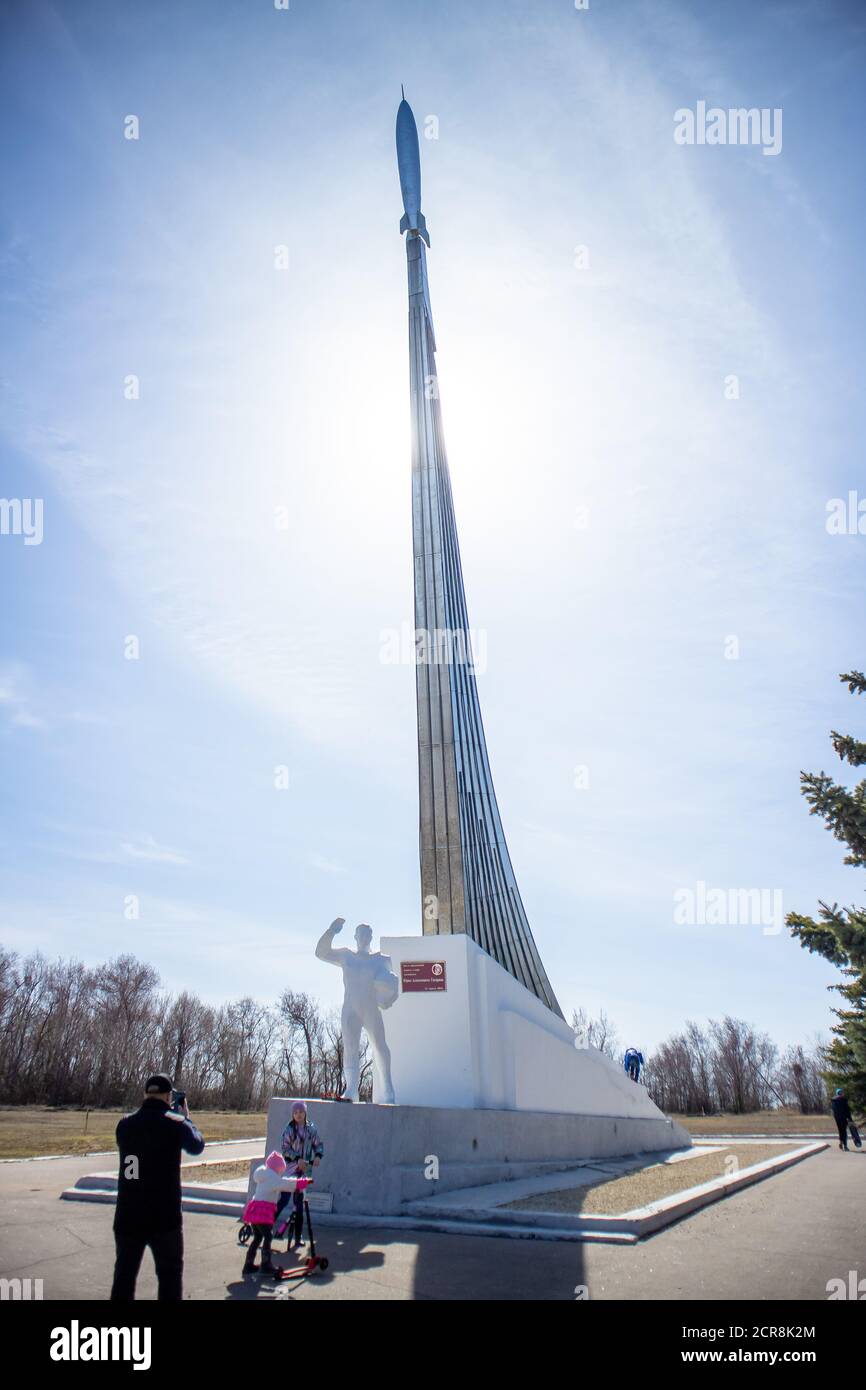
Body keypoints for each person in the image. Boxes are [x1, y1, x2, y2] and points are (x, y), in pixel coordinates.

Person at [111, 1073, 205, 1302]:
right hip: (164, 1217)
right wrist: (187, 1119)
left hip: (128, 1213)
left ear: (145, 1094)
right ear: (168, 1096)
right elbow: (197, 1145)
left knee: (124, 1276)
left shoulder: (124, 1124)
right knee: (169, 1278)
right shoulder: (175, 1123)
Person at [315, 917, 398, 1103]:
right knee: (351, 1048)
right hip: (350, 1010)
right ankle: (351, 1089)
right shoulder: (347, 956)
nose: (364, 937)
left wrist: (389, 996)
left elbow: (392, 985)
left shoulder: (381, 960)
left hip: (370, 1010)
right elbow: (321, 952)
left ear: (371, 936)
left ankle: (388, 1089)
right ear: (355, 936)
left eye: (367, 933)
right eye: (360, 933)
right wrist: (331, 932)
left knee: (380, 1047)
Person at [242, 1152, 310, 1278]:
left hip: (255, 1211)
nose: (281, 1173)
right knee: (268, 1236)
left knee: (257, 1238)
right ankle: (265, 1265)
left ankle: (248, 1264)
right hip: (263, 1213)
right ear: (277, 1169)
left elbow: (283, 1182)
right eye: (281, 1171)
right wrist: (302, 1183)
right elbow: (286, 1184)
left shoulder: (263, 1175)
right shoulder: (272, 1178)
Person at [276, 1100, 323, 1248]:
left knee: (300, 1204)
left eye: (301, 1112)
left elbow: (318, 1144)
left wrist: (317, 1156)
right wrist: (297, 1158)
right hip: (290, 1169)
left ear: (305, 1113)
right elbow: (285, 1148)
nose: (298, 1115)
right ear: (292, 1114)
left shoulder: (311, 1128)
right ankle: (267, 1226)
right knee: (283, 1199)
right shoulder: (289, 1129)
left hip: (305, 1171)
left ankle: (298, 1236)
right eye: (296, 1112)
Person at [831, 1087, 853, 1151]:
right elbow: (847, 1110)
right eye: (841, 1092)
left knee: (841, 1131)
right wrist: (850, 1118)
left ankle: (841, 1143)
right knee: (844, 1132)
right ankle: (845, 1146)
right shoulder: (844, 1100)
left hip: (837, 1119)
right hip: (843, 1118)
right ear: (840, 1093)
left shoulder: (834, 1101)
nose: (842, 1093)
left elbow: (833, 1110)